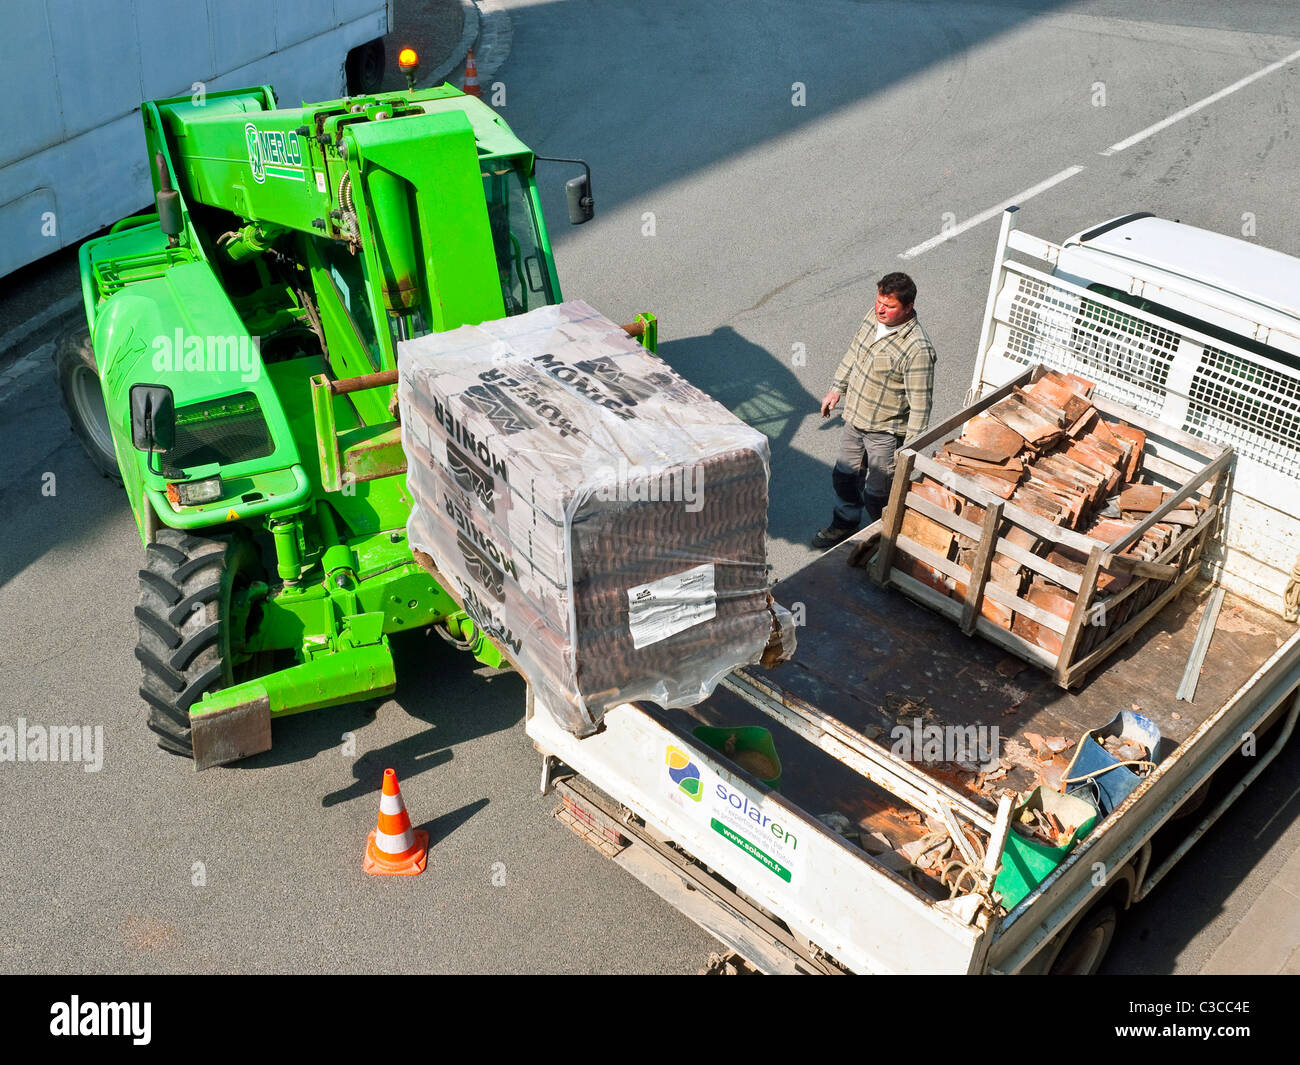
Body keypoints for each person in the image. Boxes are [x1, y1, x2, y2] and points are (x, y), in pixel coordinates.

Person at [812, 272, 937, 549]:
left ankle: (888, 539)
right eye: (879, 301)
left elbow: (920, 405)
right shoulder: (873, 317)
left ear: (908, 307)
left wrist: (910, 450)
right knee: (844, 477)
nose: (881, 309)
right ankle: (845, 523)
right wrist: (836, 388)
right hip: (855, 419)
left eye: (889, 306)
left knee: (877, 493)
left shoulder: (917, 349)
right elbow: (854, 351)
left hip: (886, 433)